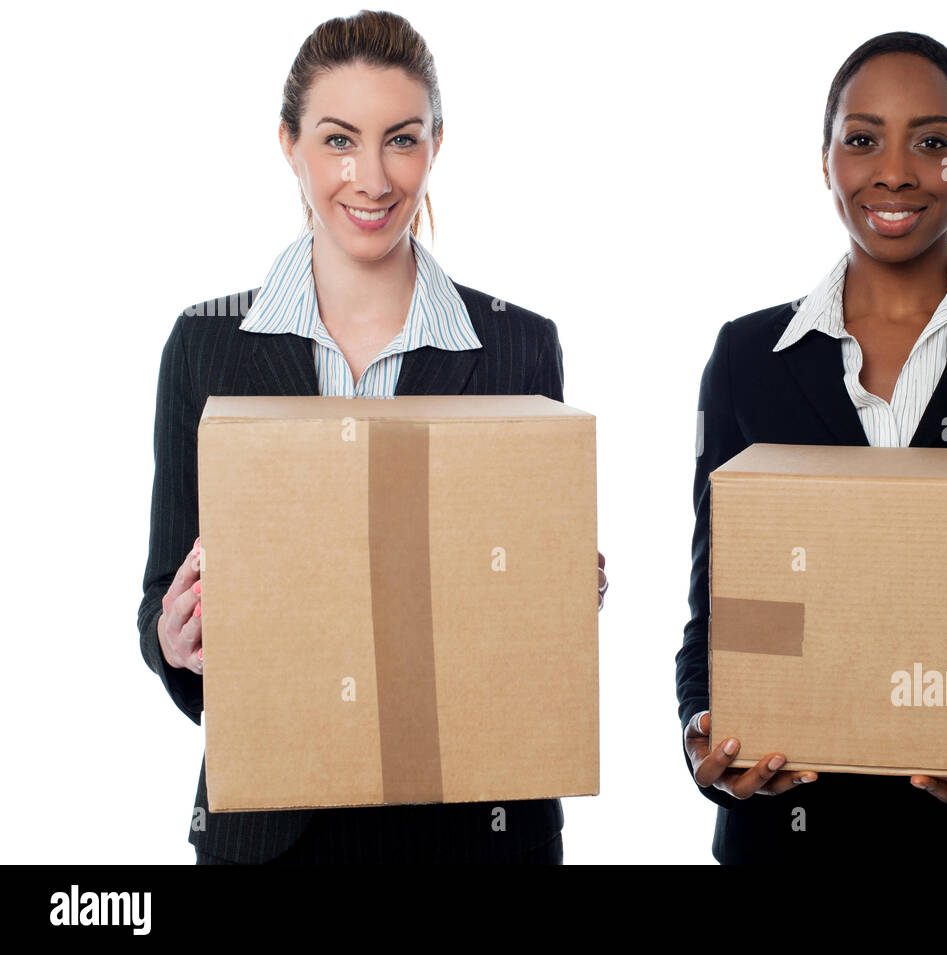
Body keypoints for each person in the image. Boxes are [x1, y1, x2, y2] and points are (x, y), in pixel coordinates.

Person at [138, 10, 607, 865]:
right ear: (289, 144)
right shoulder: (205, 345)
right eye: (338, 140)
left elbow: (514, 614)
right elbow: (161, 602)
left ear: (436, 144)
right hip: (273, 829)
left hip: (473, 826)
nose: (371, 177)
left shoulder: (515, 345)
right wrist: (174, 643)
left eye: (401, 139)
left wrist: (559, 597)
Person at [675, 31, 947, 864]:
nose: (896, 171)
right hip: (782, 837)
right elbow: (720, 607)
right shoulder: (746, 358)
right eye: (863, 137)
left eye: (933, 142)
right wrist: (703, 732)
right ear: (827, 157)